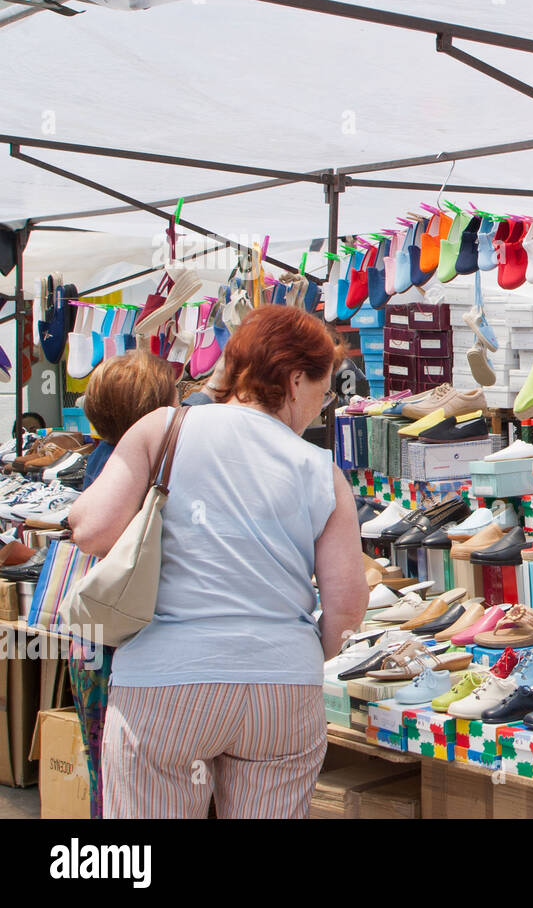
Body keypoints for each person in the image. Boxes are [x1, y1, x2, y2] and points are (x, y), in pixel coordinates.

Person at [68, 305, 368, 819]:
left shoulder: (164, 429)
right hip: (282, 688)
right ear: (296, 380)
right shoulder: (321, 470)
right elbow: (345, 606)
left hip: (167, 679)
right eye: (323, 392)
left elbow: (92, 530)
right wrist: (286, 660)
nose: (321, 407)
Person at [71, 350, 179, 818]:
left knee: (109, 772)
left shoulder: (102, 457)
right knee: (134, 782)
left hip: (97, 632)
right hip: (129, 636)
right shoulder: (136, 465)